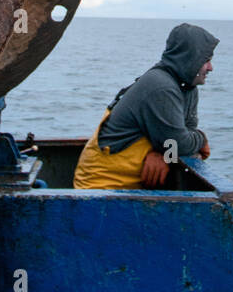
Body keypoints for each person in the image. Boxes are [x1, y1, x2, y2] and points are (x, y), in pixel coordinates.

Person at [73, 23, 218, 189]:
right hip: (102, 186)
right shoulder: (161, 87)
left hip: (133, 186)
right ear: (190, 58)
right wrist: (202, 138)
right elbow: (180, 143)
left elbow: (180, 138)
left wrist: (165, 155)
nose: (211, 68)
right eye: (206, 60)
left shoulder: (187, 87)